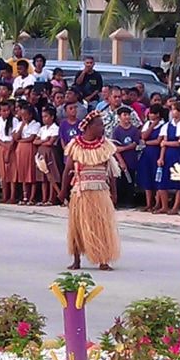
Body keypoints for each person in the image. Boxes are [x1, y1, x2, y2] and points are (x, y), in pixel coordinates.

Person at [61, 110, 122, 271]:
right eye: (99, 125)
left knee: (101, 226)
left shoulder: (105, 145)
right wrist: (62, 190)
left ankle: (103, 259)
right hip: (80, 191)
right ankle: (76, 259)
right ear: (89, 127)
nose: (102, 128)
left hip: (100, 190)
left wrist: (113, 192)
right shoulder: (75, 145)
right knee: (78, 226)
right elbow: (68, 170)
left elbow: (111, 172)